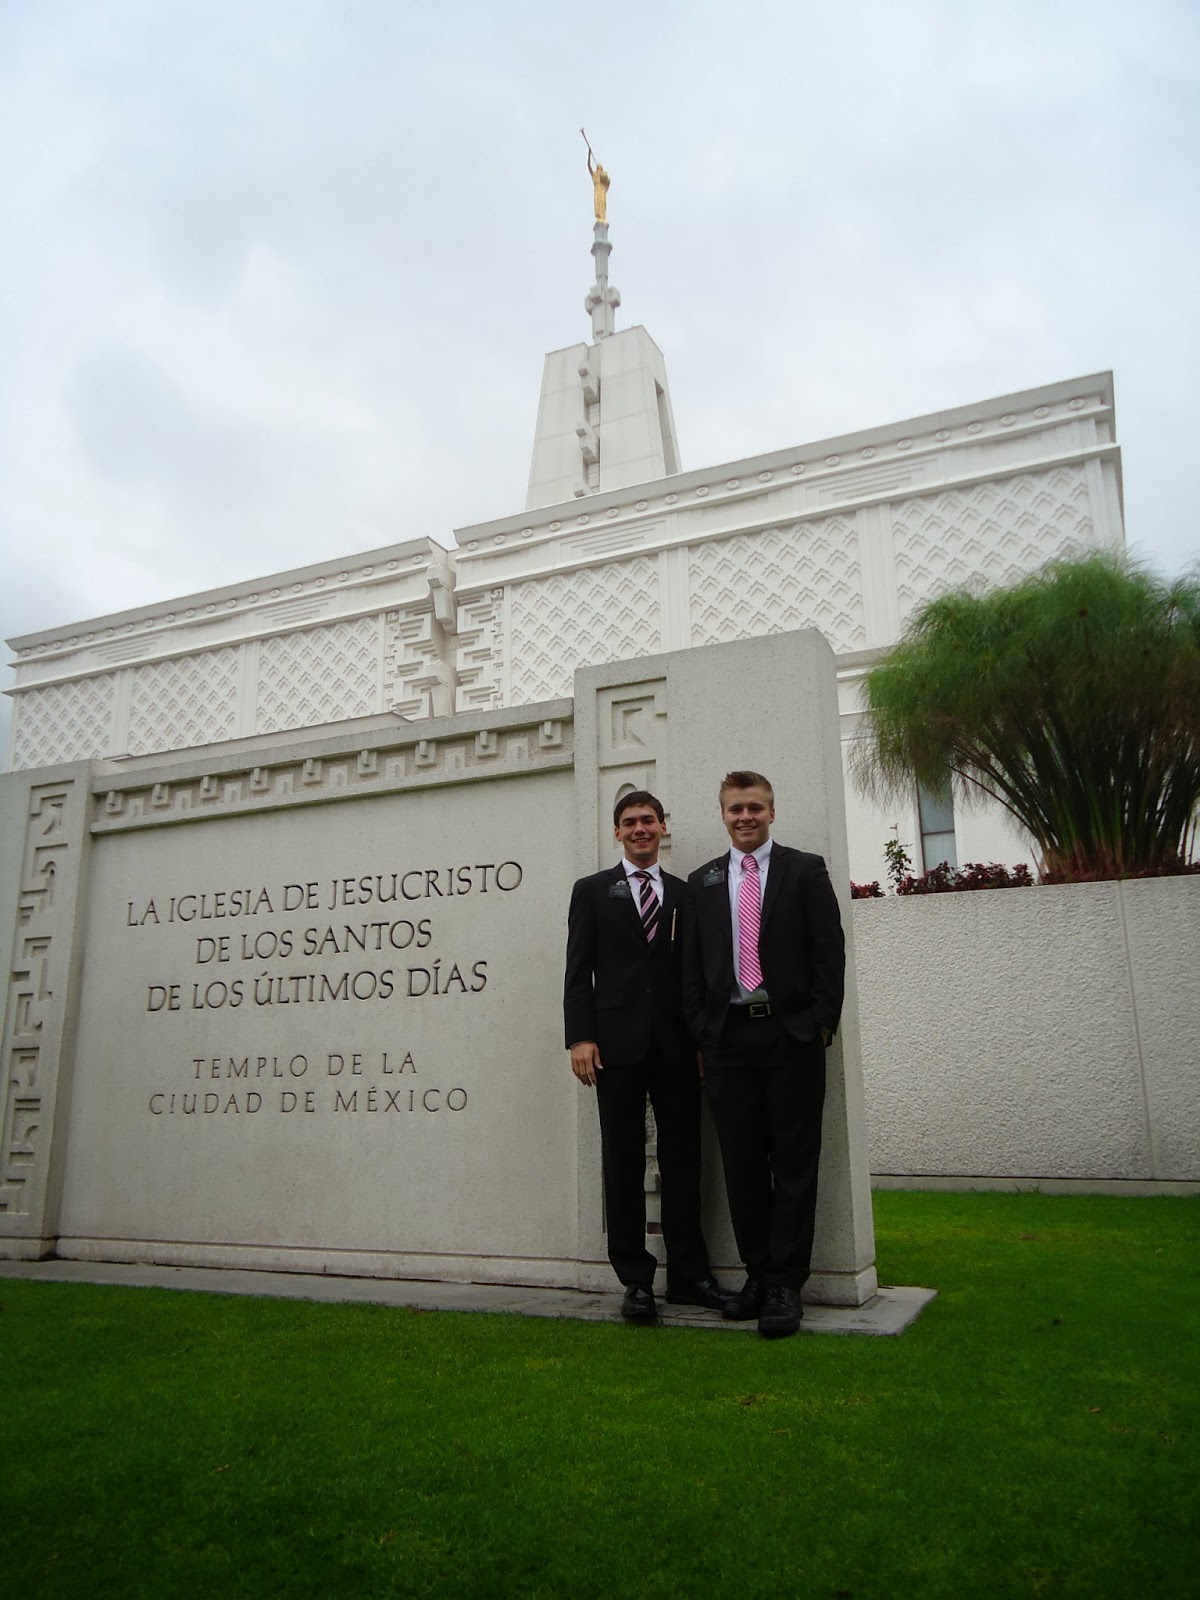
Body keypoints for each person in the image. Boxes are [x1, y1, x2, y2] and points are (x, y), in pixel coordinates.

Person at [683, 771, 845, 1338]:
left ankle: (784, 1286)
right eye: (735, 809)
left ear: (772, 811)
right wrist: (704, 1035)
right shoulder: (702, 881)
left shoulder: (805, 870)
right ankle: (756, 1274)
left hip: (791, 1038)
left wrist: (821, 1024)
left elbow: (830, 951)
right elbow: (692, 969)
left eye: (754, 807)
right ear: (722, 815)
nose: (745, 816)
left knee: (795, 1164)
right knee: (742, 1165)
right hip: (729, 1045)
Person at [564, 791, 727, 1323]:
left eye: (648, 821)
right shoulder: (591, 892)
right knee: (623, 1160)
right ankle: (635, 1279)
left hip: (678, 1047)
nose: (640, 829)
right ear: (617, 832)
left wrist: (703, 1042)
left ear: (663, 828)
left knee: (685, 1161)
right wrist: (580, 1038)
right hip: (614, 1049)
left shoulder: (686, 894)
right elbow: (577, 971)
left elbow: (698, 976)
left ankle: (689, 1275)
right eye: (630, 822)